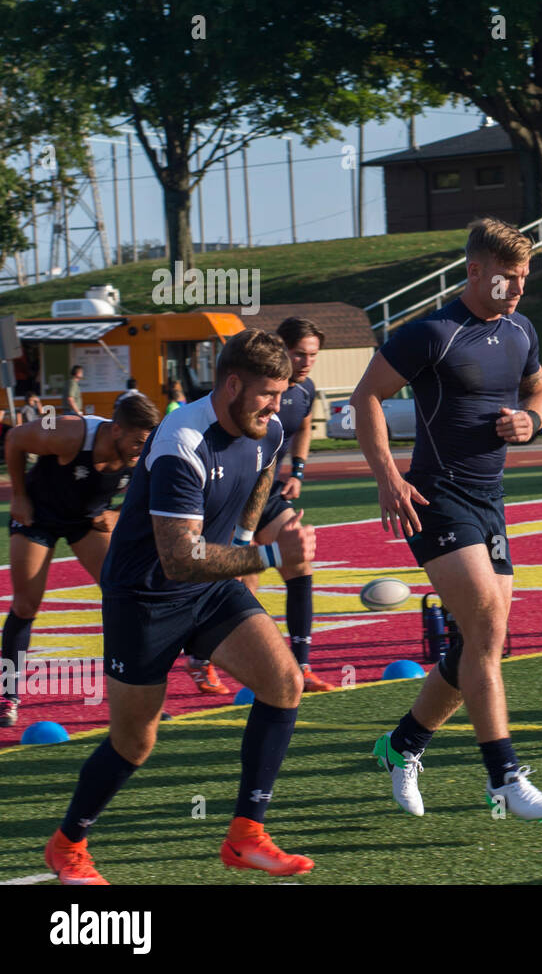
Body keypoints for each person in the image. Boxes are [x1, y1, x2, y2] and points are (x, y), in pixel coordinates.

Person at [42, 329, 316, 885]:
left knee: (284, 682)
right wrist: (264, 554)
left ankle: (246, 835)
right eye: (267, 393)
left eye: (283, 392)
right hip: (144, 597)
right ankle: (67, 843)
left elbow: (261, 475)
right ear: (233, 384)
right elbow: (178, 559)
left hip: (209, 587)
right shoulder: (180, 441)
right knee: (134, 742)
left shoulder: (271, 426)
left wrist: (243, 534)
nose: (277, 405)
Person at [359, 217, 542, 821]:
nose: (519, 289)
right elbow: (364, 395)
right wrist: (388, 476)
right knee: (483, 622)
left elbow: (540, 391)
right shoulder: (432, 332)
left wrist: (534, 420)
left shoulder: (522, 328)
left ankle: (403, 746)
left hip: (489, 497)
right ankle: (503, 777)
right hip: (435, 497)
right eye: (508, 278)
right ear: (475, 272)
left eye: (524, 277)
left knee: (486, 638)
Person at [186, 318, 332, 694]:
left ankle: (301, 665)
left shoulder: (303, 390)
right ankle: (202, 658)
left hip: (265, 492)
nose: (306, 362)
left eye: (313, 355)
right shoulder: (240, 393)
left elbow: (299, 429)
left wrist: (297, 470)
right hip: (228, 493)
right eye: (299, 353)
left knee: (299, 563)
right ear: (280, 347)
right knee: (241, 579)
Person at [2, 396, 159, 728]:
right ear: (115, 429)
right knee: (26, 604)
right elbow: (15, 437)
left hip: (85, 520)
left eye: (145, 444)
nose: (140, 451)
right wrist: (17, 495)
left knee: (126, 594)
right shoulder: (69, 431)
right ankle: (7, 694)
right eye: (136, 442)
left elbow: (152, 492)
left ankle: (137, 692)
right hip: (38, 516)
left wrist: (116, 514)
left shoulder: (144, 451)